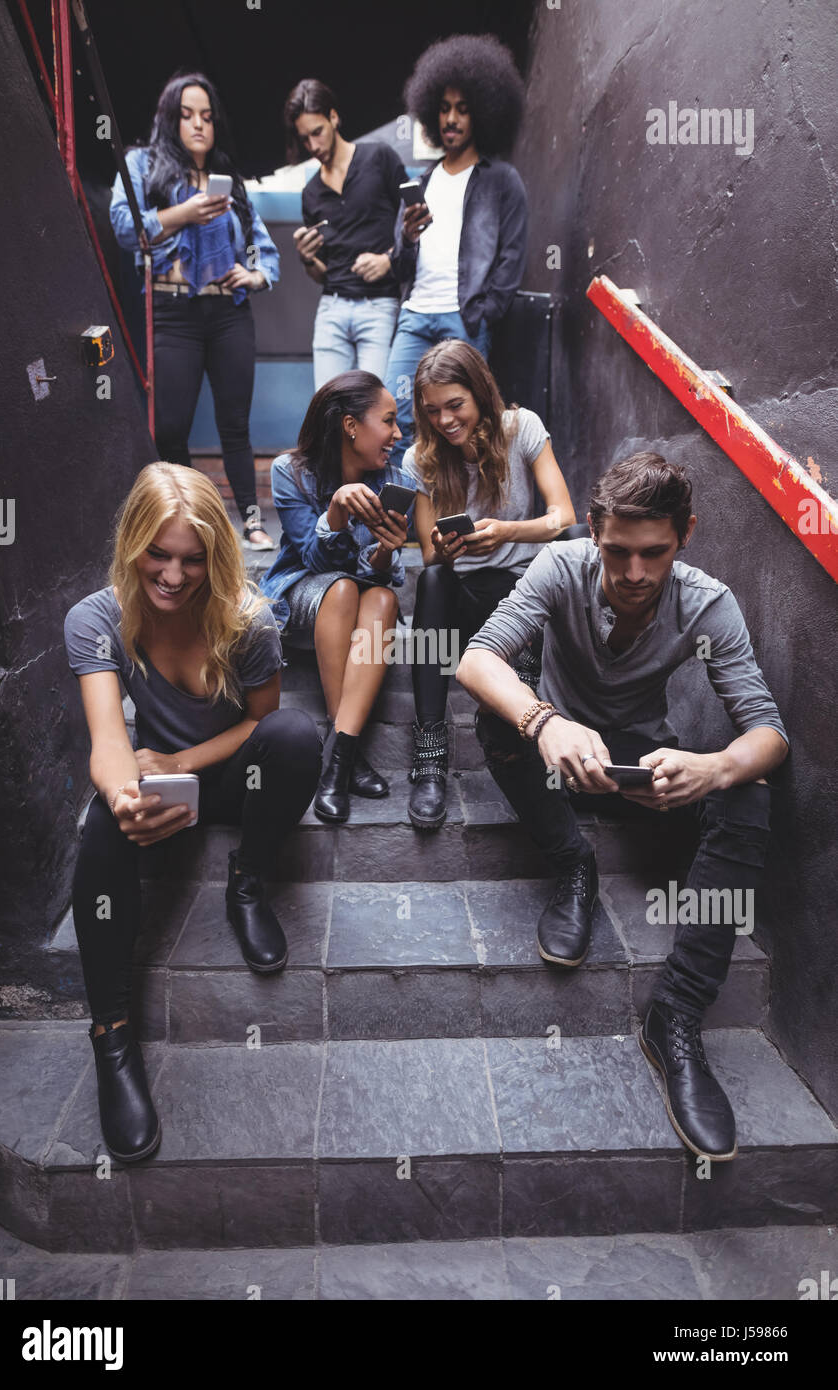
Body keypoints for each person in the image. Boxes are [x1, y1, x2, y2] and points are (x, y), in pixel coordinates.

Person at [456, 453, 789, 1162]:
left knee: (748, 793)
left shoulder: (707, 602)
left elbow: (770, 735)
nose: (634, 573)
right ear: (594, 533)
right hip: (558, 760)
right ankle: (573, 864)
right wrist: (545, 723)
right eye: (617, 551)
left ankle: (675, 1018)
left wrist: (715, 766)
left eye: (654, 553)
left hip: (642, 773)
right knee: (498, 716)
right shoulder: (558, 567)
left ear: (686, 534)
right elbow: (477, 660)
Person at [64, 464, 321, 1163]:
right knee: (99, 827)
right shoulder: (96, 619)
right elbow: (109, 742)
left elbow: (265, 724)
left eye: (192, 559)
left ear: (216, 557)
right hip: (155, 786)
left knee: (298, 739)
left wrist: (179, 763)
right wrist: (125, 797)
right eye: (159, 554)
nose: (174, 576)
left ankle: (248, 880)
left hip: (228, 776)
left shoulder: (247, 617)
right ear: (133, 544)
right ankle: (112, 1033)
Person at [404, 340, 577, 830]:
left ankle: (520, 744)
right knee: (433, 580)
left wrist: (507, 532)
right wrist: (447, 545)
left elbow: (563, 516)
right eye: (432, 410)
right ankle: (431, 756)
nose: (445, 420)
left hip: (520, 591)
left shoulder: (523, 429)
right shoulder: (421, 459)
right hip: (461, 598)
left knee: (520, 583)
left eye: (455, 405)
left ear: (479, 393)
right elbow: (428, 551)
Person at [110, 71, 280, 550]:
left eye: (206, 116)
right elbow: (127, 228)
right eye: (186, 116)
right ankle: (191, 523)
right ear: (169, 120)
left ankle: (251, 521)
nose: (198, 125)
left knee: (235, 424)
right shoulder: (142, 164)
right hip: (172, 310)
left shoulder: (229, 181)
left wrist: (255, 275)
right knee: (170, 427)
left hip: (227, 313)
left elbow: (265, 250)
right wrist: (185, 213)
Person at [260, 372, 414, 824]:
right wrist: (337, 514)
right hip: (303, 596)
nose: (397, 434)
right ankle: (344, 754)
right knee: (343, 587)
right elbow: (312, 558)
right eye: (388, 421)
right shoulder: (291, 472)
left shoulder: (396, 479)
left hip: (360, 601)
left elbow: (387, 577)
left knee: (383, 601)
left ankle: (338, 759)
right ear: (351, 425)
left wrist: (387, 550)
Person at [384, 34, 528, 465]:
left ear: (482, 115)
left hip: (464, 318)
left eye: (462, 109)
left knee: (464, 424)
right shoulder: (422, 181)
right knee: (396, 414)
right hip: (415, 315)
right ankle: (401, 522)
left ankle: (459, 517)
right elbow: (398, 263)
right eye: (444, 109)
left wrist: (487, 311)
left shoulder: (501, 180)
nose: (451, 119)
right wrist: (407, 238)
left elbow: (512, 256)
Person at [285, 79, 407, 389]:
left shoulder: (379, 158)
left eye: (317, 133)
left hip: (379, 306)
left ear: (334, 118)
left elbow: (416, 226)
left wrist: (389, 261)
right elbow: (322, 274)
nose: (313, 146)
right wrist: (307, 259)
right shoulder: (311, 193)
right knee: (327, 413)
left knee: (373, 411)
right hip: (332, 309)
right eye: (305, 139)